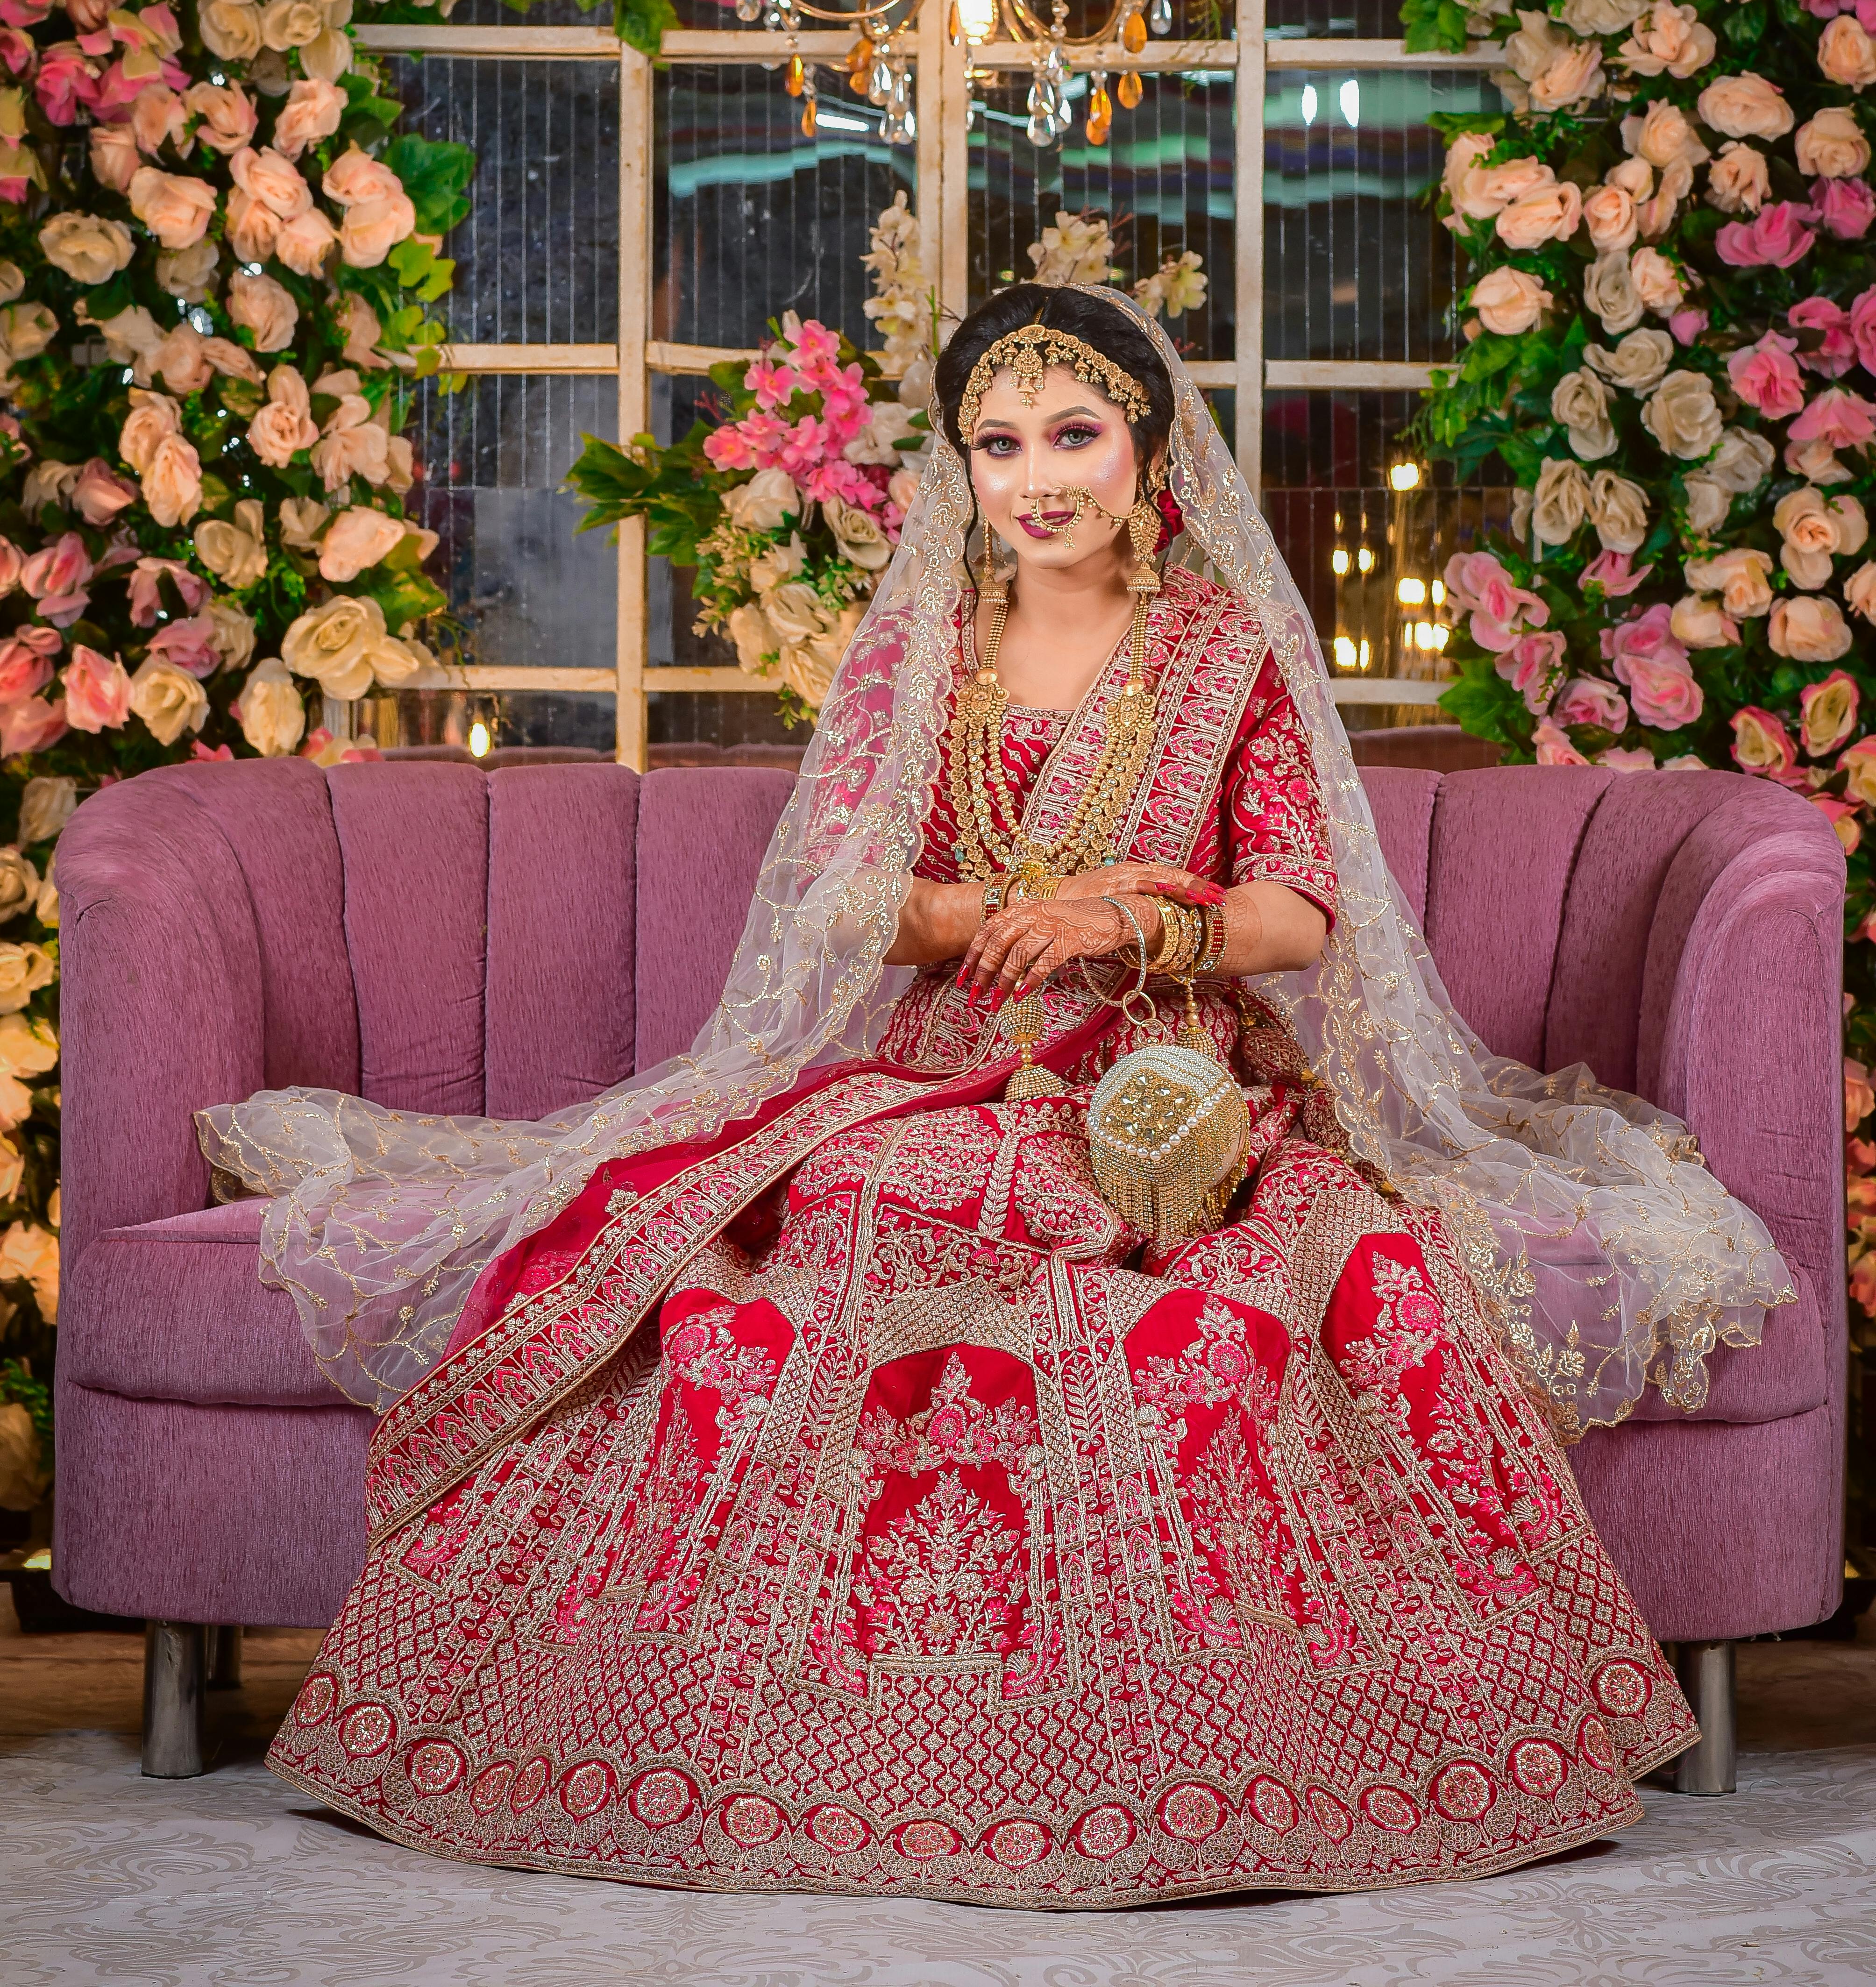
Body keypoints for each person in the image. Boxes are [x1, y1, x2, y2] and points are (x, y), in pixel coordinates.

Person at [201, 285, 1794, 1906]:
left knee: (1273, 1290)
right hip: (954, 1067)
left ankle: (1210, 1757)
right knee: (781, 1248)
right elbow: (840, 899)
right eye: (999, 444)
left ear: (1149, 449)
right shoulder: (927, 651)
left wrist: (1123, 918)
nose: (1039, 478)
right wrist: (974, 919)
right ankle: (786, 1747)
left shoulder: (1220, 648)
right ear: (961, 468)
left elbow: (1301, 914)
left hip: (1173, 1076)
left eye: (1075, 435)